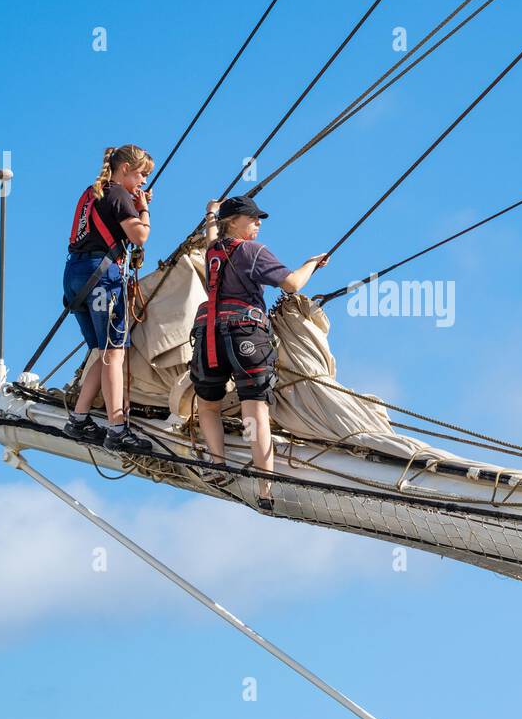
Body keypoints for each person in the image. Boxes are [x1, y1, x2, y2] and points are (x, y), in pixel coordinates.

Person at [190, 195, 328, 512]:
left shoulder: (213, 251)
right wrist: (311, 264)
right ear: (234, 221)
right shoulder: (253, 252)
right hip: (245, 338)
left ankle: (217, 466)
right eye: (253, 218)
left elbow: (213, 235)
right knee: (255, 412)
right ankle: (265, 488)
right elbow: (291, 284)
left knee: (208, 406)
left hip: (209, 339)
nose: (258, 223)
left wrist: (210, 213)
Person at [62, 144, 156, 454]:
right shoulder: (118, 194)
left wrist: (133, 202)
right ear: (125, 168)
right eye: (141, 174)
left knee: (100, 351)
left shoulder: (92, 193)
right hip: (102, 276)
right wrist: (142, 209)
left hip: (75, 276)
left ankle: (78, 419)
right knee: (114, 354)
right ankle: (118, 428)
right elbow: (139, 236)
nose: (143, 181)